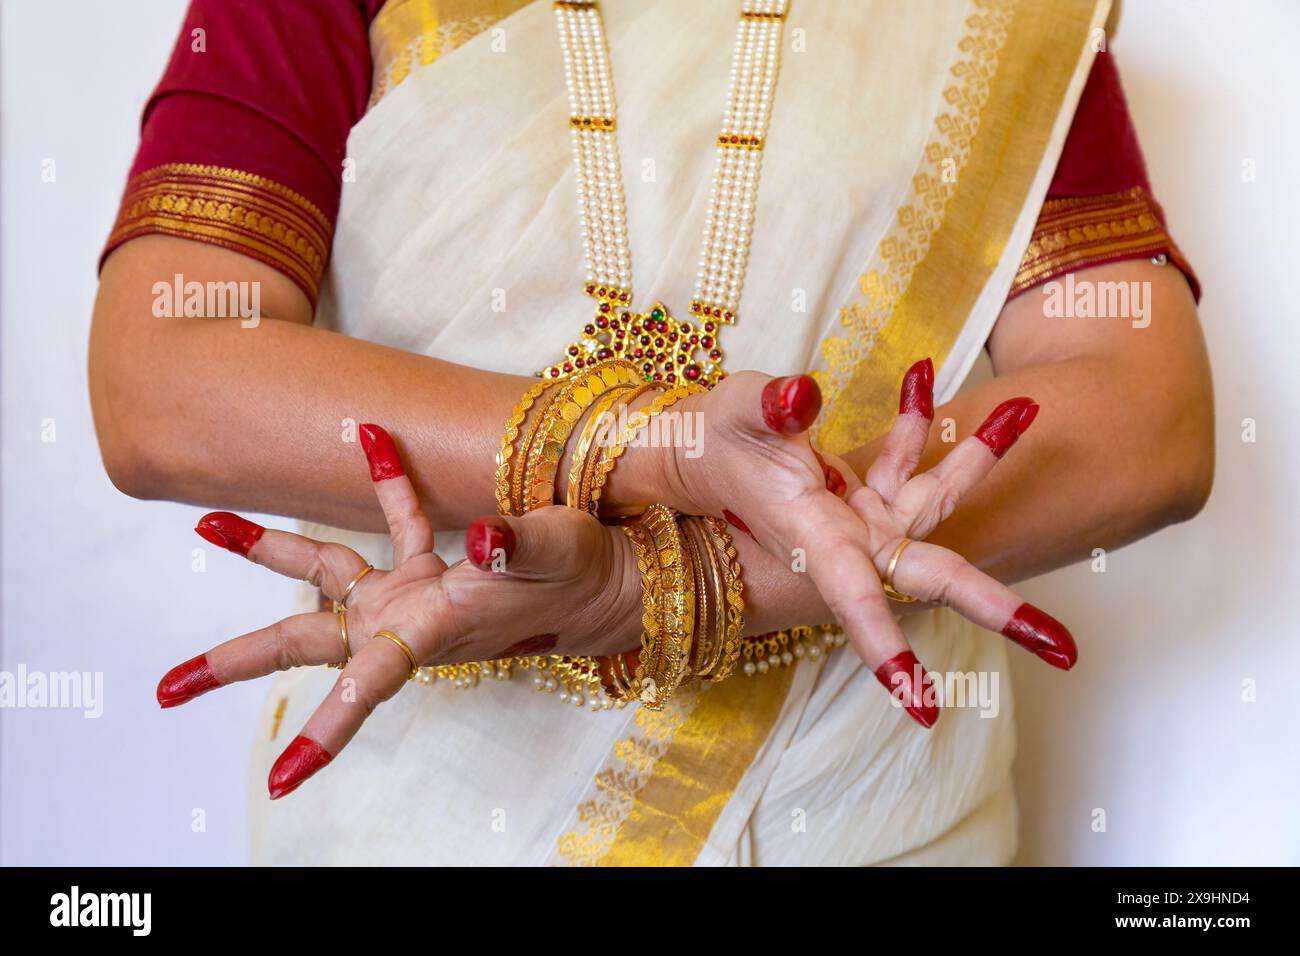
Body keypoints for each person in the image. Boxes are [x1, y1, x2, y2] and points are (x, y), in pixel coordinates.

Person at [89, 0, 1212, 865]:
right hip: (427, 793)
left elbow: (1143, 404)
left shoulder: (983, 18)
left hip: (864, 805)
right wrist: (645, 446)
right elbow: (165, 369)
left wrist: (664, 583)